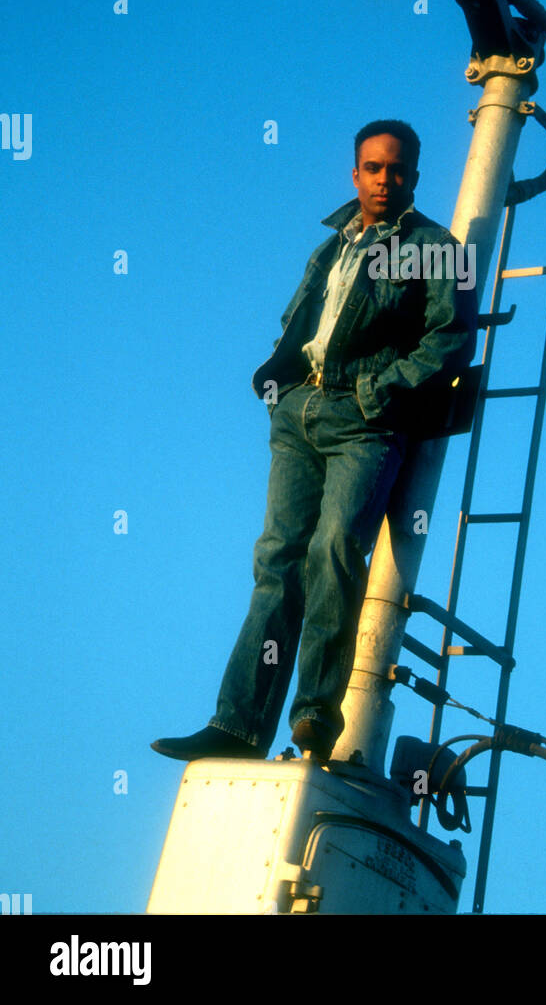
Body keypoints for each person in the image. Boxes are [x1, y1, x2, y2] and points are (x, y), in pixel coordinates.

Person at [152, 120, 477, 766]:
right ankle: (237, 728)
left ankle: (313, 717)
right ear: (354, 173)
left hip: (365, 419)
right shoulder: (330, 246)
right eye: (373, 168)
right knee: (277, 560)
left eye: (398, 170)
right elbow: (301, 320)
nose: (385, 180)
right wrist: (276, 375)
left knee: (334, 550)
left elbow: (448, 339)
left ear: (414, 176)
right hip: (299, 414)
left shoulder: (436, 248)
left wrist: (378, 391)